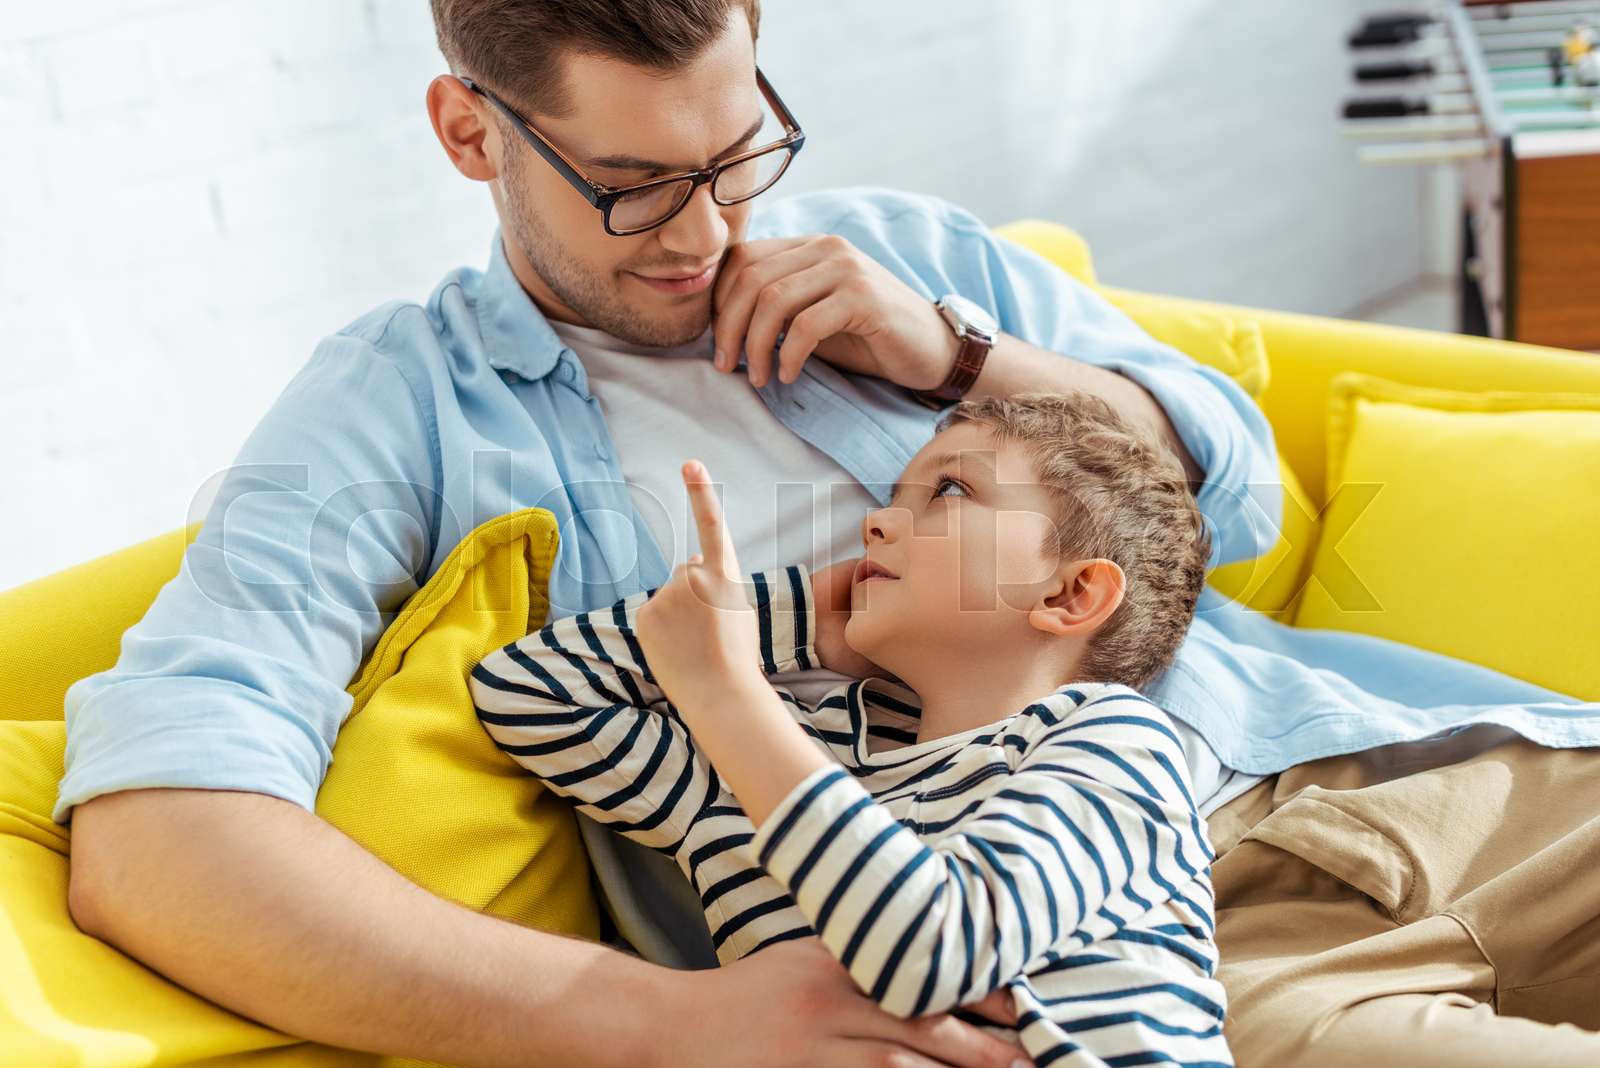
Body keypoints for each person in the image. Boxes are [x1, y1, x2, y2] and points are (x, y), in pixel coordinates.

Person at [57, 1, 1600, 1066]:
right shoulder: (401, 412)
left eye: (738, 157)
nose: (710, 232)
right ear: (472, 133)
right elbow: (157, 831)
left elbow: (1237, 498)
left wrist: (963, 360)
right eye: (637, 187)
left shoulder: (904, 253)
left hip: (1378, 765)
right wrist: (659, 1025)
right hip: (1108, 964)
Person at [470, 393, 1231, 1067]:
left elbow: (933, 950)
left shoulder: (1114, 743)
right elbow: (526, 695)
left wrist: (722, 684)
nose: (874, 522)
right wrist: (790, 617)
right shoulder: (788, 749)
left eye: (951, 490)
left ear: (1069, 594)